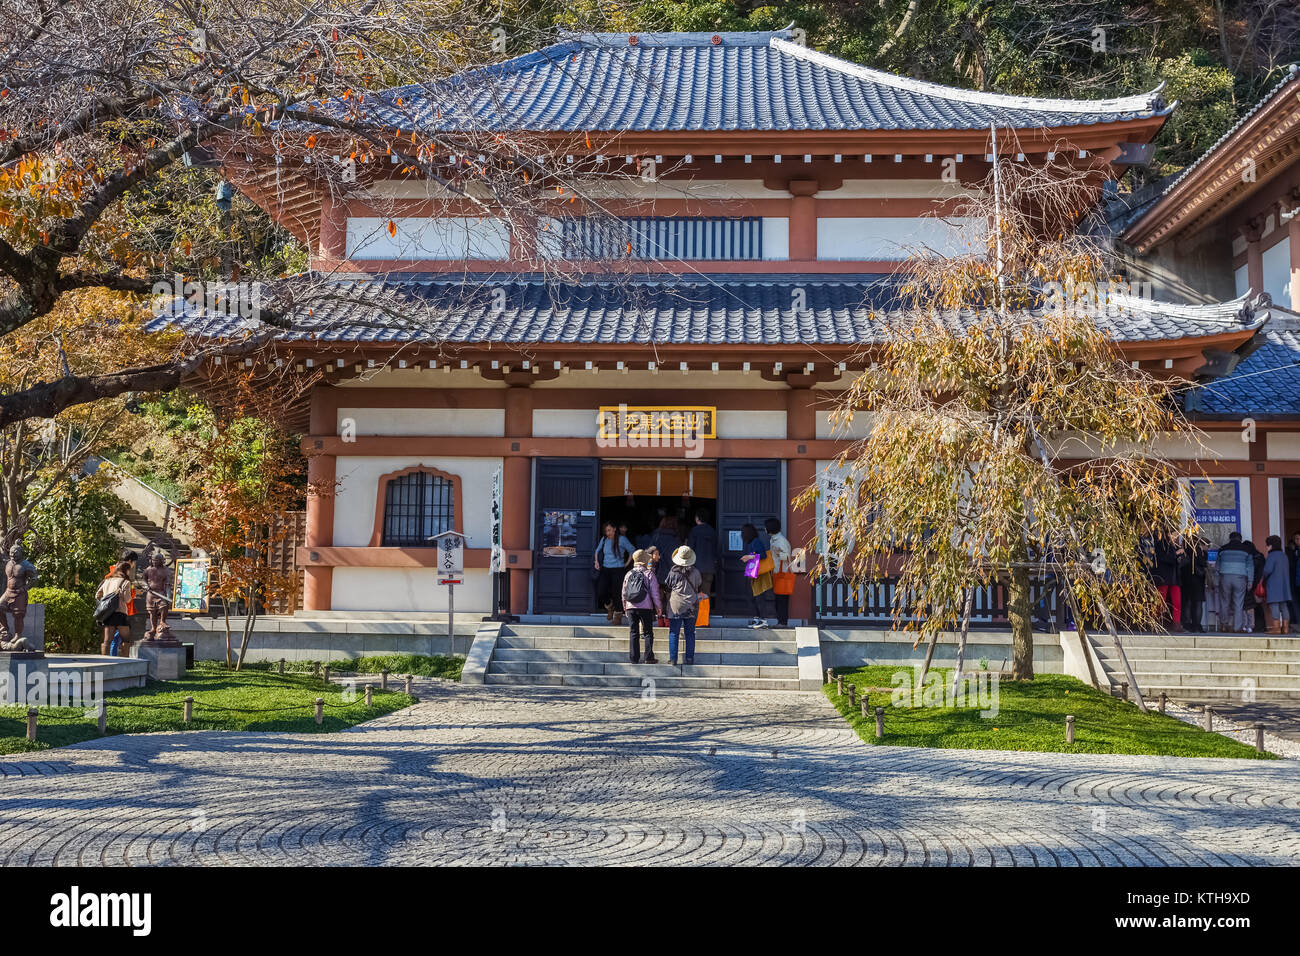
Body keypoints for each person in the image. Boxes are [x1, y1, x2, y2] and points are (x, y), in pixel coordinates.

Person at [665, 545, 703, 665]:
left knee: (674, 633)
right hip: (691, 605)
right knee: (690, 633)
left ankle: (673, 659)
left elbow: (667, 585)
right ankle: (690, 658)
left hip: (676, 605)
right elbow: (699, 585)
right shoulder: (696, 572)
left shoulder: (673, 571)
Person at [622, 549, 662, 664]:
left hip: (631, 607)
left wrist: (625, 607)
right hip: (645, 607)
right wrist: (658, 607)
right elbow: (655, 593)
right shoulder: (649, 574)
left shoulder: (628, 574)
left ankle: (634, 658)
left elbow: (624, 593)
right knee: (648, 632)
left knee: (633, 632)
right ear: (644, 560)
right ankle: (648, 657)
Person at [594, 523, 634, 625]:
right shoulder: (604, 539)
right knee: (601, 591)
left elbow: (632, 550)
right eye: (606, 531)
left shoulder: (622, 539)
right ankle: (609, 606)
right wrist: (596, 562)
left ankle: (618, 616)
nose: (608, 533)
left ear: (615, 529)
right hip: (605, 569)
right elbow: (597, 551)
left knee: (617, 593)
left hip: (618, 569)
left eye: (610, 530)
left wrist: (627, 563)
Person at [1215, 532, 1253, 633]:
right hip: (1240, 578)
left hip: (1225, 577)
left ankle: (1223, 625)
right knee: (1238, 603)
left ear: (1230, 539)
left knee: (1224, 602)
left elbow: (1217, 567)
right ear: (1240, 539)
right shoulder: (1247, 550)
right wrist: (1250, 581)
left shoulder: (1222, 549)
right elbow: (1250, 567)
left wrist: (1217, 580)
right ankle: (1237, 628)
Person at [96, 561, 134, 656]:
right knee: (126, 639)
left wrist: (107, 598)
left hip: (108, 614)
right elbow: (127, 599)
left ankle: (105, 661)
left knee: (107, 641)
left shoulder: (107, 581)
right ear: (126, 570)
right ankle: (124, 662)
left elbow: (97, 595)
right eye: (129, 570)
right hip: (120, 613)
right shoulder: (125, 582)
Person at [1150, 534, 1186, 631]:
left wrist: (1180, 559)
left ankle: (1176, 623)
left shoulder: (1177, 546)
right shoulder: (1161, 545)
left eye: (1177, 535)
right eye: (1174, 534)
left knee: (1177, 602)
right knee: (1161, 601)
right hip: (1163, 577)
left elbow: (1184, 560)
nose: (1176, 537)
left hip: (1175, 578)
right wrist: (1176, 554)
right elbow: (1163, 558)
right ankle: (1156, 622)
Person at [741, 522, 772, 629]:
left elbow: (762, 555)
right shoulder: (752, 542)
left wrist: (748, 557)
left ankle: (763, 620)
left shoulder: (756, 542)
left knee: (759, 597)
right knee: (754, 597)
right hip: (755, 573)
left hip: (759, 574)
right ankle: (757, 619)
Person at [1262, 535, 1293, 634]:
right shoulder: (1284, 555)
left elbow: (1267, 570)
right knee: (1284, 606)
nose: (1266, 547)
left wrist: (1262, 577)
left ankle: (1276, 628)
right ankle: (1286, 628)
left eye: (1267, 545)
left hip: (1274, 584)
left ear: (1271, 545)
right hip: (1284, 585)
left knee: (1274, 606)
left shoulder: (1272, 556)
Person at [764, 517, 792, 627]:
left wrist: (775, 553)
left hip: (783, 574)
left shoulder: (781, 541)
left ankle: (783, 622)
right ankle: (780, 621)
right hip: (776, 573)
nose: (764, 529)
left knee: (782, 599)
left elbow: (787, 557)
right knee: (778, 599)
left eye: (766, 527)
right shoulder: (774, 540)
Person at [686, 509, 717, 597]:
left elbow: (690, 549)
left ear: (697, 518)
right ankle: (703, 611)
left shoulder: (694, 531)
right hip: (709, 568)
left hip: (695, 567)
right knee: (705, 593)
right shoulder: (712, 531)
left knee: (694, 592)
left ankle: (694, 611)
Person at [1180, 538, 1208, 633]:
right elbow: (1203, 563)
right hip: (1198, 580)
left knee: (1187, 603)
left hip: (1186, 579)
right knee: (1198, 603)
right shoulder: (1200, 551)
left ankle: (1187, 625)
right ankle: (1197, 625)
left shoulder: (1183, 550)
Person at [649, 515, 681, 591]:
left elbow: (650, 554)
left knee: (658, 596)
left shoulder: (656, 537)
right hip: (673, 573)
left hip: (658, 572)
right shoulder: (676, 539)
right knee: (671, 597)